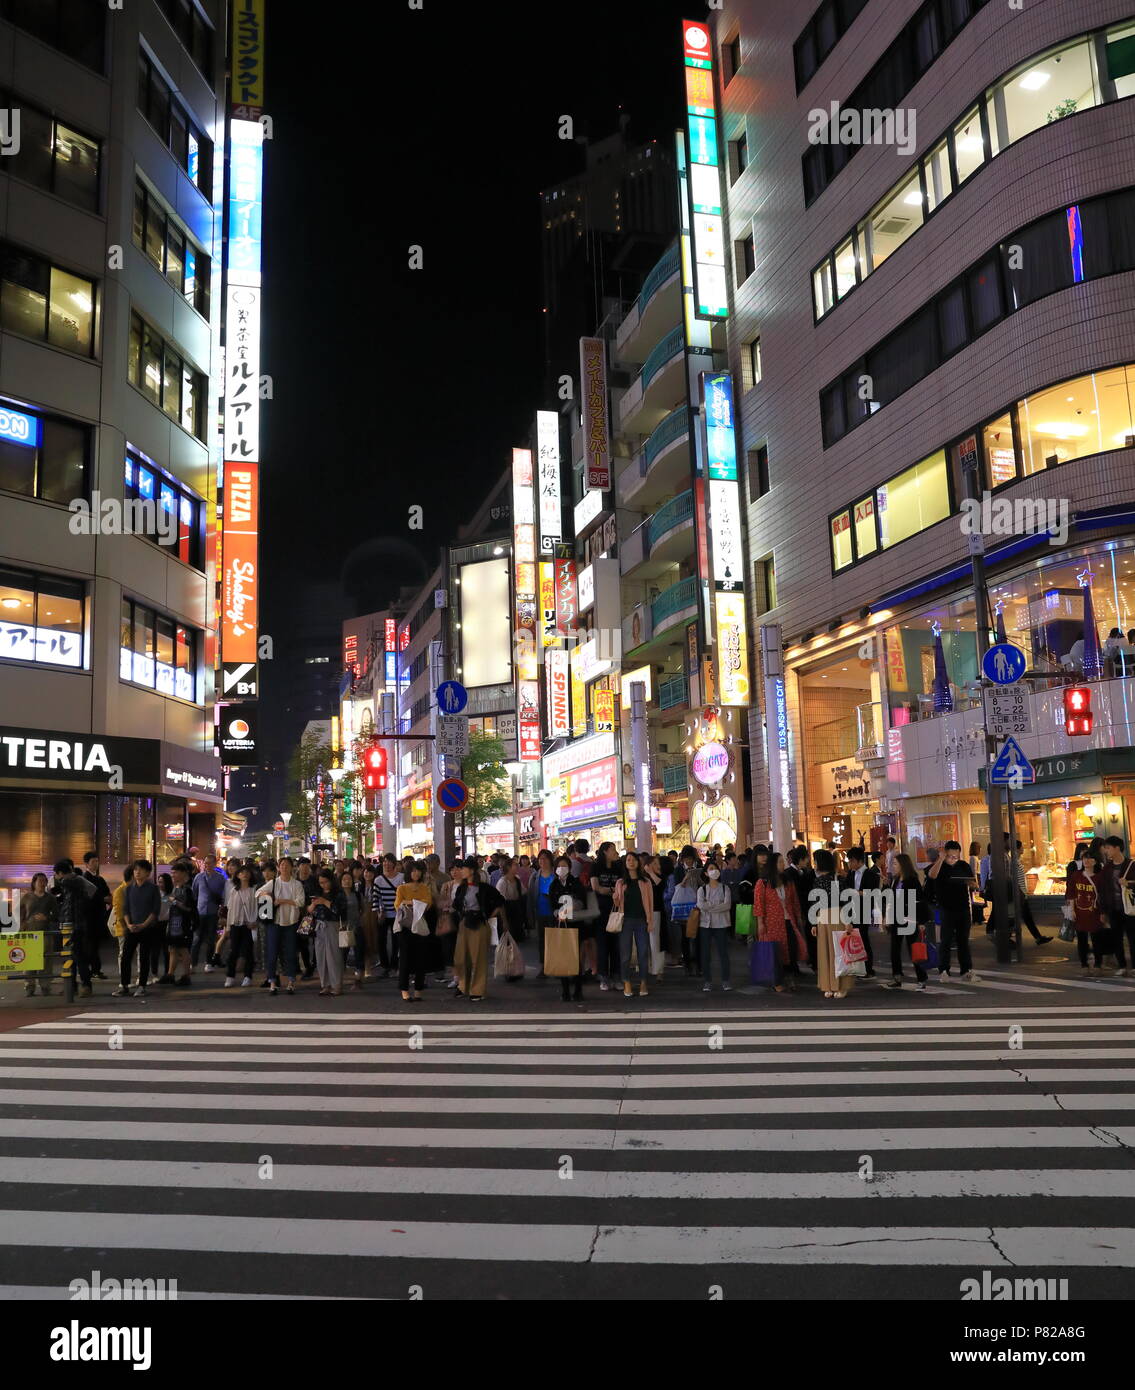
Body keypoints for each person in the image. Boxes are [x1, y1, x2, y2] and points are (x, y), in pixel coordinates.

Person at [754, 854, 807, 993]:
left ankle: (789, 977)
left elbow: (794, 901)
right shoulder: (763, 883)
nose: (783, 864)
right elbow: (759, 905)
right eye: (780, 862)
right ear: (773, 864)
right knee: (775, 952)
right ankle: (776, 980)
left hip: (789, 920)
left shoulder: (787, 881)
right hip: (772, 923)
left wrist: (798, 917)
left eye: (783, 862)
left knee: (790, 949)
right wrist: (760, 923)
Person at [452, 858, 502, 1001]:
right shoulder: (462, 887)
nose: (461, 871)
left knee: (478, 958)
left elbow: (500, 900)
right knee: (461, 957)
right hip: (464, 923)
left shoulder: (484, 888)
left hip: (479, 923)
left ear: (472, 870)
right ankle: (463, 986)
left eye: (463, 868)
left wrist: (488, 914)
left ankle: (478, 990)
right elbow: (456, 904)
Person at [928, 840, 978, 982]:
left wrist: (971, 884)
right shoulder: (940, 866)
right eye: (950, 856)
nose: (952, 859)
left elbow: (974, 883)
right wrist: (941, 859)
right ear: (945, 854)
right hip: (946, 908)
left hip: (963, 907)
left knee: (963, 941)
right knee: (946, 940)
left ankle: (966, 970)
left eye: (955, 857)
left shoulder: (964, 866)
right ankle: (944, 970)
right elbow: (932, 875)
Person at [811, 849, 855, 999]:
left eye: (816, 861)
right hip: (825, 917)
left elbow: (847, 901)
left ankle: (840, 986)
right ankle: (829, 985)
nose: (814, 864)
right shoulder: (818, 880)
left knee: (837, 952)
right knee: (826, 952)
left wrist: (849, 921)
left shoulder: (838, 879)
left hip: (837, 915)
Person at [881, 853, 930, 990]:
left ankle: (922, 978)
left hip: (910, 918)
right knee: (894, 950)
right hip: (896, 918)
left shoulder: (912, 880)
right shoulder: (895, 880)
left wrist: (921, 921)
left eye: (895, 864)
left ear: (903, 865)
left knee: (913, 948)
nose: (893, 866)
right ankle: (897, 977)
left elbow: (920, 901)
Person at [115, 859, 162, 998]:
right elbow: (125, 909)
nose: (137, 872)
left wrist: (143, 925)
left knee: (144, 956)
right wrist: (129, 924)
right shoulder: (129, 889)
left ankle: (142, 986)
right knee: (126, 956)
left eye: (141, 870)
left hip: (147, 928)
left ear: (148, 873)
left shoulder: (153, 888)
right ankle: (124, 985)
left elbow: (155, 911)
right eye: (136, 869)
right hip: (132, 927)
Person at [50, 859, 97, 997]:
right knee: (73, 956)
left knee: (76, 956)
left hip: (73, 925)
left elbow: (65, 900)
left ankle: (83, 985)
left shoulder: (69, 881)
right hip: (75, 924)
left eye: (56, 874)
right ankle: (73, 986)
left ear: (59, 873)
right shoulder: (77, 880)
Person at [546, 853, 588, 1002]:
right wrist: (558, 912)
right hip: (560, 925)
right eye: (559, 866)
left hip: (576, 925)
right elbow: (552, 905)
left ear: (569, 868)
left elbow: (581, 902)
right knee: (563, 958)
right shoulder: (554, 885)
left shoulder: (575, 882)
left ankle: (578, 989)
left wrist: (568, 909)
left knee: (576, 958)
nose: (561, 869)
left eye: (564, 866)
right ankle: (565, 990)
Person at [260, 856, 304, 995]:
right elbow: (258, 893)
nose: (284, 867)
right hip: (274, 922)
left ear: (292, 867)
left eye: (286, 865)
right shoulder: (273, 883)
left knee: (290, 952)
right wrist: (267, 894)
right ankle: (272, 982)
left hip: (291, 922)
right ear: (279, 867)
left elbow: (300, 902)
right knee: (272, 952)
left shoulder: (297, 884)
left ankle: (291, 981)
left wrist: (283, 901)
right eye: (282, 864)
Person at [613, 851, 654, 998]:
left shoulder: (646, 882)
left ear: (638, 863)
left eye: (634, 860)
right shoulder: (620, 882)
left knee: (643, 952)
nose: (631, 862)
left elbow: (650, 902)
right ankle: (627, 982)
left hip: (642, 920)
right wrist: (616, 897)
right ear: (625, 863)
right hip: (625, 921)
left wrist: (650, 921)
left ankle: (643, 981)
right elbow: (617, 903)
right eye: (628, 860)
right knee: (625, 954)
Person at [394, 861, 434, 1002]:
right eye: (413, 871)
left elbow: (428, 904)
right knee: (404, 959)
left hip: (420, 926)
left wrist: (409, 902)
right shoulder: (401, 888)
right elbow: (398, 905)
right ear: (408, 872)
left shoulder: (424, 887)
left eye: (418, 871)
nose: (416, 873)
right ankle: (404, 990)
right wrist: (417, 902)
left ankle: (418, 990)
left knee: (420, 959)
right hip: (405, 927)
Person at [1065, 847, 1109, 975]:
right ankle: (1084, 964)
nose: (1086, 861)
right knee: (1082, 940)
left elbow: (1103, 896)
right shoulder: (1076, 875)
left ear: (1096, 861)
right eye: (1085, 858)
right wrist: (1071, 910)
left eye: (1090, 858)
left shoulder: (1099, 877)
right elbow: (1071, 893)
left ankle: (1098, 964)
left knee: (1097, 940)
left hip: (1095, 913)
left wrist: (1103, 913)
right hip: (1079, 912)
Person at [840, 846, 879, 977]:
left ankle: (868, 969)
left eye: (850, 861)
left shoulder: (871, 874)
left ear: (858, 861)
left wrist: (857, 893)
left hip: (864, 910)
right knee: (854, 938)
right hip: (851, 910)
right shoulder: (850, 874)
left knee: (863, 938)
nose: (849, 864)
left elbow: (873, 893)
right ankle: (858, 968)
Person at [308, 868, 347, 996]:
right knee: (321, 956)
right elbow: (309, 910)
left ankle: (336, 985)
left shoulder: (338, 893)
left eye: (325, 882)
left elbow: (339, 911)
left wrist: (324, 902)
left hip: (332, 925)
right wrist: (313, 905)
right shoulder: (317, 893)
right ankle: (325, 984)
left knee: (333, 956)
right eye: (321, 882)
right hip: (319, 926)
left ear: (331, 880)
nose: (323, 885)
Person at [19, 872, 59, 996]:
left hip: (45, 932)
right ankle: (29, 986)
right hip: (30, 932)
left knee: (46, 960)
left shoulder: (50, 898)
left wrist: (46, 917)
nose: (42, 883)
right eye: (39, 881)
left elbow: (56, 915)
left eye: (44, 881)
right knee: (29, 961)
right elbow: (21, 916)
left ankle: (45, 986)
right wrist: (21, 930)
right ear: (34, 883)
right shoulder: (27, 897)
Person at [696, 859, 733, 992]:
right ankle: (707, 981)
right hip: (705, 925)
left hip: (721, 924)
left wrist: (709, 907)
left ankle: (726, 980)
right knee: (705, 954)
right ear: (706, 873)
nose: (714, 871)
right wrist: (717, 906)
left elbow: (727, 905)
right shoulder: (702, 889)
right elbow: (700, 905)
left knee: (723, 953)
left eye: (715, 868)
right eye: (710, 869)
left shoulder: (725, 888)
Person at [591, 842, 622, 991]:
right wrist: (612, 890)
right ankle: (603, 976)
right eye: (612, 850)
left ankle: (616, 976)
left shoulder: (618, 867)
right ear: (604, 852)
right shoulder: (596, 866)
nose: (615, 852)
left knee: (616, 945)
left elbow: (621, 887)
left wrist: (608, 890)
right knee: (602, 945)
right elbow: (596, 887)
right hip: (601, 911)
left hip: (616, 910)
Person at [222, 867, 259, 987]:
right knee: (233, 951)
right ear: (238, 875)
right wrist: (228, 927)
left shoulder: (254, 890)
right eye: (242, 873)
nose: (245, 874)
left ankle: (248, 976)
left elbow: (257, 908)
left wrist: (255, 922)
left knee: (248, 952)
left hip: (248, 925)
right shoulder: (234, 891)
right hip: (235, 924)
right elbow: (230, 910)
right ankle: (230, 976)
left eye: (247, 872)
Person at [191, 855, 226, 972]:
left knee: (211, 939)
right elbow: (194, 893)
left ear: (215, 864)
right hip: (200, 911)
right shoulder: (198, 877)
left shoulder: (220, 878)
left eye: (210, 863)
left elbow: (223, 895)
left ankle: (208, 963)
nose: (207, 865)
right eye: (205, 863)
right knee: (197, 939)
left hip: (213, 912)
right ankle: (193, 964)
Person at [80, 852, 112, 980]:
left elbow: (107, 894)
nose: (96, 864)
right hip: (89, 916)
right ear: (86, 864)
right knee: (90, 943)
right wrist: (102, 899)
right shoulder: (84, 878)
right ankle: (94, 969)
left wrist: (106, 898)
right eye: (93, 861)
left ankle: (95, 969)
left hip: (99, 915)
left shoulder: (100, 879)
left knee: (95, 943)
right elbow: (89, 898)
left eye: (97, 861)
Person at [784, 846, 816, 971]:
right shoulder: (788, 874)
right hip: (794, 911)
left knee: (804, 936)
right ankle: (794, 966)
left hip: (804, 910)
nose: (808, 861)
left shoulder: (804, 872)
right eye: (806, 859)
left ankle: (804, 962)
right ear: (801, 859)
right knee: (794, 938)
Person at [526, 849, 558, 976]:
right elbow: (530, 895)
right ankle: (544, 966)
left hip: (554, 912)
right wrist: (529, 915)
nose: (542, 861)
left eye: (545, 858)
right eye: (540, 859)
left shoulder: (555, 876)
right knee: (542, 941)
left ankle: (555, 964)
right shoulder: (535, 876)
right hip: (540, 911)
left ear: (550, 860)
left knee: (554, 940)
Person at [371, 854, 403, 977]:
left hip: (397, 914)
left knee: (396, 942)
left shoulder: (401, 878)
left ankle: (394, 965)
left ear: (394, 864)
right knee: (381, 941)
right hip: (383, 914)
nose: (387, 864)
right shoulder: (378, 880)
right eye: (385, 862)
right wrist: (378, 912)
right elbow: (376, 898)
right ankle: (385, 966)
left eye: (389, 862)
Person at [164, 863, 196, 986]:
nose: (173, 875)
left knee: (183, 949)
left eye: (175, 873)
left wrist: (175, 902)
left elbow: (189, 908)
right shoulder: (175, 888)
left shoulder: (187, 889)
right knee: (173, 948)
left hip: (183, 923)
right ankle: (170, 974)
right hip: (173, 922)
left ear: (184, 874)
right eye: (172, 873)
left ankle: (186, 975)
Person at [495, 857, 526, 943]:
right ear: (508, 867)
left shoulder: (517, 879)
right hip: (507, 912)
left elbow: (524, 892)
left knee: (516, 940)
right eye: (515, 865)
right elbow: (500, 903)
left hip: (516, 911)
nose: (518, 866)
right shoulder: (502, 882)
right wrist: (504, 921)